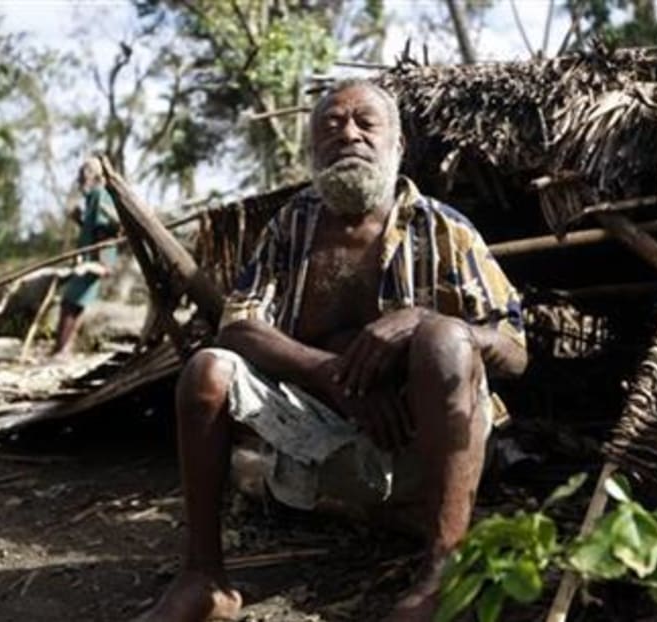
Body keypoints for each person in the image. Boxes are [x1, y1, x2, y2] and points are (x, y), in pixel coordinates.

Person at [138, 80, 527, 622]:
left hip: (422, 444)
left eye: (366, 123)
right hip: (318, 443)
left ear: (398, 145)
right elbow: (238, 323)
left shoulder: (445, 229)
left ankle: (444, 569)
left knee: (442, 338)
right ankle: (204, 578)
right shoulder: (291, 226)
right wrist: (331, 376)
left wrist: (423, 321)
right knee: (206, 370)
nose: (348, 133)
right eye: (331, 125)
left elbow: (514, 347)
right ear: (314, 150)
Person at [52, 156, 119, 357]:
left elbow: (104, 229)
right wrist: (79, 219)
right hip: (90, 257)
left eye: (84, 173)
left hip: (97, 259)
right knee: (75, 301)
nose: (80, 178)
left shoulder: (101, 194)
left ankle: (62, 351)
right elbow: (92, 227)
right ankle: (63, 349)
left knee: (71, 301)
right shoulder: (92, 196)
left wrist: (94, 262)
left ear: (93, 174)